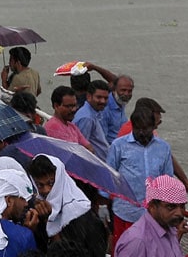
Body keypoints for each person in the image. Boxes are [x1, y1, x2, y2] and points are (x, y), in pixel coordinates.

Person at [106, 109, 176, 241]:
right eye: (138, 129)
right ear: (133, 126)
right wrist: (104, 205)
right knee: (124, 252)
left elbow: (167, 179)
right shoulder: (118, 146)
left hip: (154, 215)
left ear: (153, 127)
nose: (142, 133)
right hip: (125, 212)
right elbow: (108, 175)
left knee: (151, 253)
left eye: (146, 129)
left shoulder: (163, 148)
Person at [45, 86, 93, 151]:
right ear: (56, 106)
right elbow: (68, 153)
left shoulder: (71, 126)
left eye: (74, 105)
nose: (73, 109)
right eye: (68, 106)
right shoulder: (53, 126)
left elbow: (89, 148)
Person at [73, 80, 111, 160]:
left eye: (106, 98)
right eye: (99, 97)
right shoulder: (87, 118)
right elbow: (82, 148)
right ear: (89, 96)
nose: (103, 101)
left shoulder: (93, 112)